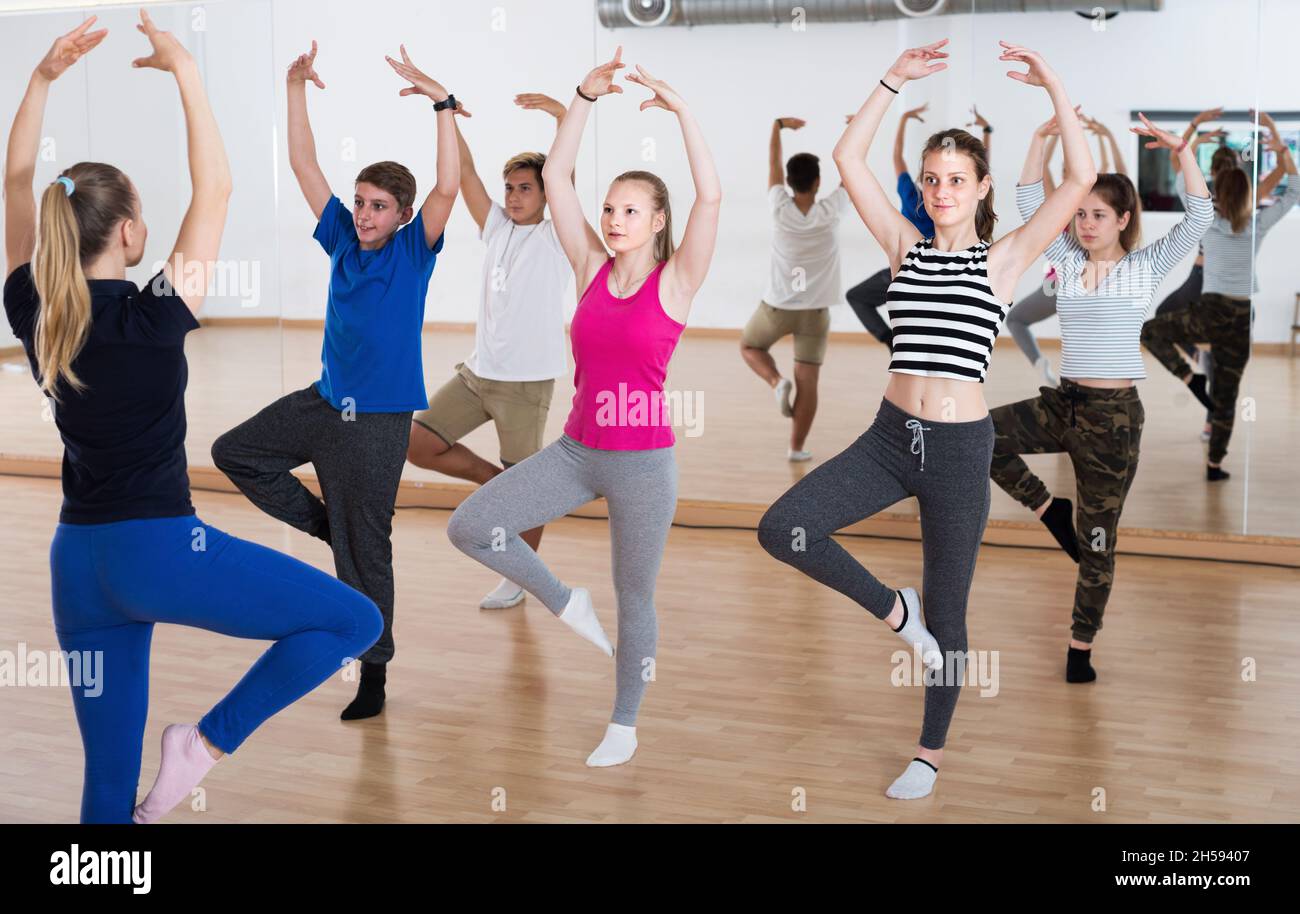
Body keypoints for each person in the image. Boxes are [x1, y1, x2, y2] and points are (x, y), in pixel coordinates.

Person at [2, 13, 381, 823]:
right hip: (161, 549)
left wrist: (40, 81)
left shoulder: (36, 310)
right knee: (353, 618)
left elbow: (13, 183)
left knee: (105, 783)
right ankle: (202, 745)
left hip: (77, 564)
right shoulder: (152, 317)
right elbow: (217, 188)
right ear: (133, 231)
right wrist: (185, 72)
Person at [757, 38, 1097, 800]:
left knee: (949, 610)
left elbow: (1077, 178)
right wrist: (889, 80)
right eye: (933, 179)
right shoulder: (905, 248)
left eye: (957, 180)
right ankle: (891, 606)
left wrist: (1054, 86)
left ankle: (929, 751)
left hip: (956, 449)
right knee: (787, 529)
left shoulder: (1003, 260)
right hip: (887, 439)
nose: (942, 191)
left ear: (981, 188)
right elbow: (849, 158)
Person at [446, 47, 721, 768]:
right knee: (472, 524)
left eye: (632, 209)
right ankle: (565, 601)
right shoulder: (590, 266)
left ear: (660, 220)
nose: (616, 217)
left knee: (636, 598)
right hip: (575, 450)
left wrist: (686, 113)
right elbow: (558, 177)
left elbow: (713, 198)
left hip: (643, 465)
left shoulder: (678, 282)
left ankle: (624, 721)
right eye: (611, 208)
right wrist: (582, 99)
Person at [212, 40, 458, 720]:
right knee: (236, 452)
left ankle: (373, 676)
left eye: (378, 205)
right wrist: (295, 87)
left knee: (366, 556)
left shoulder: (414, 251)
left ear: (402, 215)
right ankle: (328, 526)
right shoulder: (342, 242)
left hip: (379, 422)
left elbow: (447, 186)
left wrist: (441, 104)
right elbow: (301, 161)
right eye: (360, 202)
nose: (364, 213)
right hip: (323, 404)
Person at [991, 110, 1212, 684]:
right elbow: (1028, 198)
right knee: (977, 433)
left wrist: (1180, 150)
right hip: (1062, 402)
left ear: (1123, 220)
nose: (1085, 224)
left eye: (1097, 216)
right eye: (1080, 214)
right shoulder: (1064, 258)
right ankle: (1047, 509)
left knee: (1097, 544)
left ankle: (1079, 647)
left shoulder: (1146, 267)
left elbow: (1199, 215)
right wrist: (1040, 137)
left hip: (1114, 420)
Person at [406, 92, 573, 610]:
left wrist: (565, 118)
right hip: (478, 375)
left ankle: (519, 576)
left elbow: (563, 176)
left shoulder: (558, 238)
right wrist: (444, 108)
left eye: (527, 188)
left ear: (546, 196)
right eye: (512, 188)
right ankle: (492, 479)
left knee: (530, 496)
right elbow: (470, 173)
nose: (516, 195)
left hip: (525, 386)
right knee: (414, 441)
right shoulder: (497, 226)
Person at [738, 116, 848, 461]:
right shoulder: (831, 210)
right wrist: (855, 127)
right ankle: (796, 448)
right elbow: (852, 166)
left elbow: (772, 163)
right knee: (809, 381)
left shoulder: (779, 206)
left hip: (777, 308)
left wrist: (776, 126)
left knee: (750, 346)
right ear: (817, 183)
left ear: (788, 183)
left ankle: (775, 381)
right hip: (814, 314)